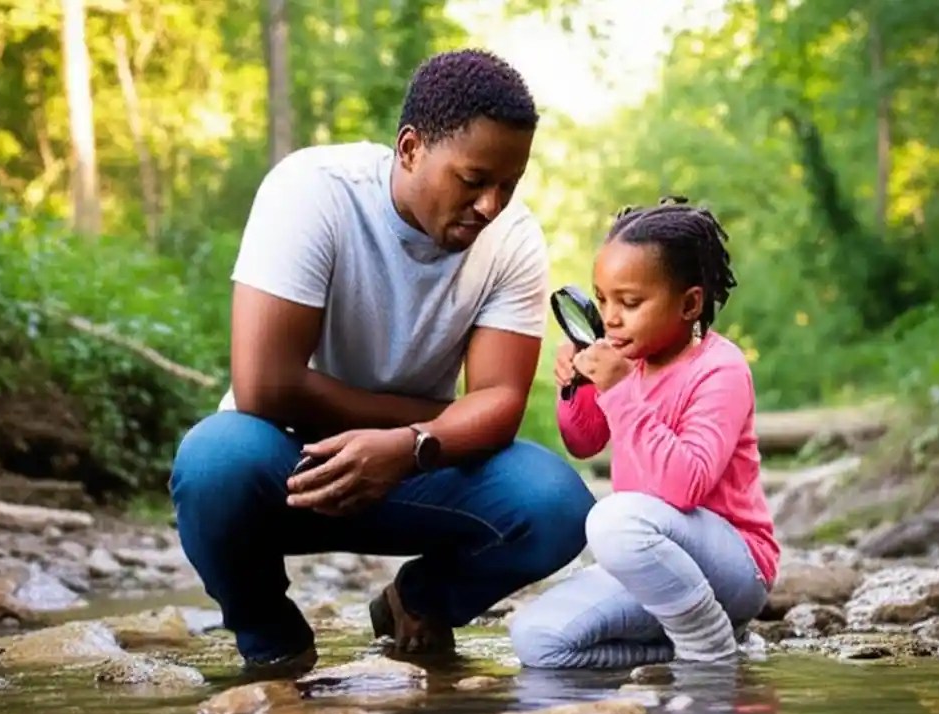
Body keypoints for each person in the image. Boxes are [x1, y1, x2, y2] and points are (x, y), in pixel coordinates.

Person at [169, 49, 595, 676]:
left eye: (509, 184)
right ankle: (273, 644)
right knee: (212, 461)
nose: (491, 205)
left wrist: (406, 445)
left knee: (556, 505)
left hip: (416, 468)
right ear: (410, 148)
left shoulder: (514, 239)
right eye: (474, 179)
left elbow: (499, 406)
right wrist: (430, 422)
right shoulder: (312, 191)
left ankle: (416, 602)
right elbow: (262, 386)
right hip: (287, 466)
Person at [508, 197, 780, 668]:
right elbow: (583, 441)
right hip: (650, 558)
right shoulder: (625, 361)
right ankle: (701, 647)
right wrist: (575, 387)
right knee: (534, 639)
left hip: (734, 564)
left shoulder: (720, 369)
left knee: (612, 518)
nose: (611, 318)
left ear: (690, 304)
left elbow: (683, 486)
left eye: (630, 302)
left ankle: (707, 645)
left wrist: (617, 388)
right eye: (602, 300)